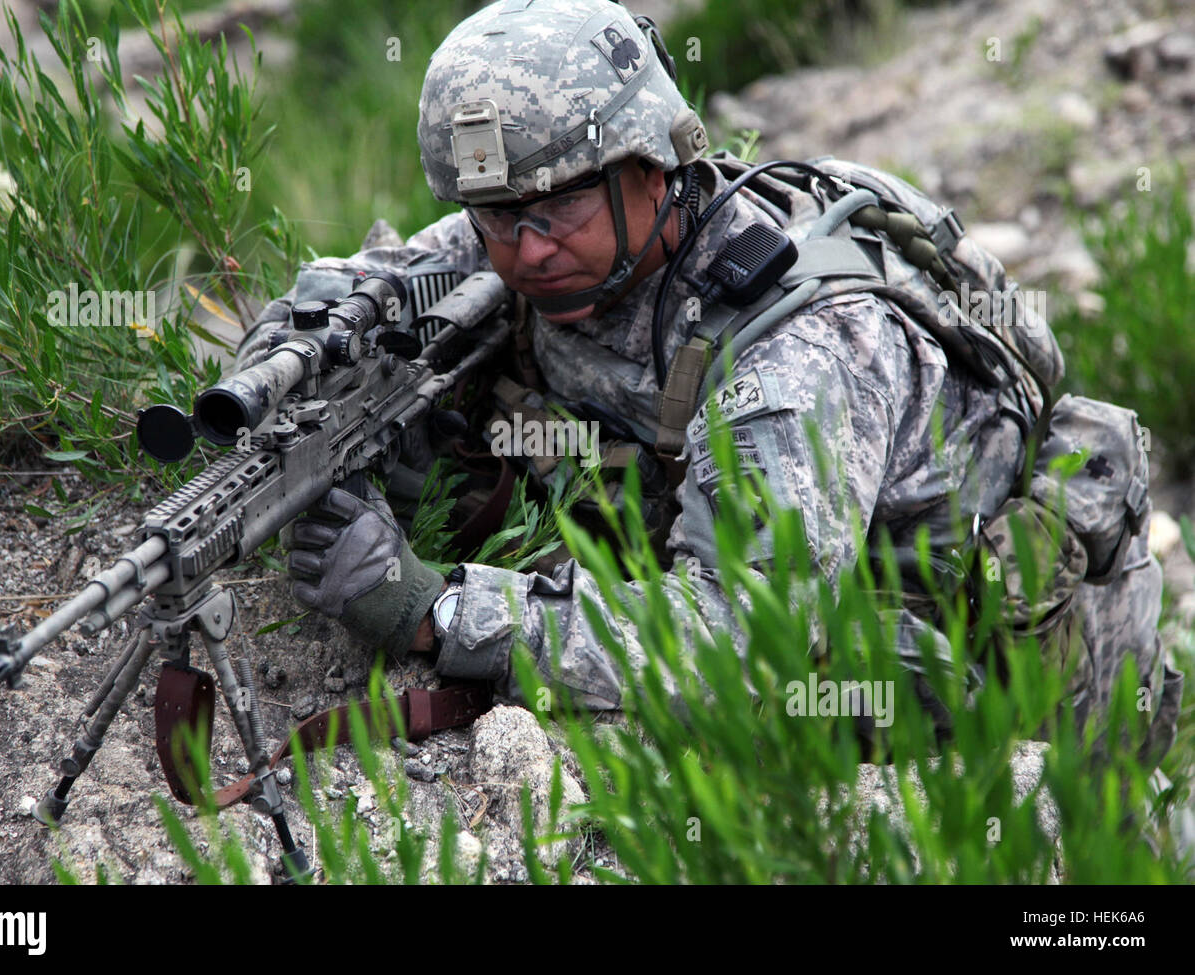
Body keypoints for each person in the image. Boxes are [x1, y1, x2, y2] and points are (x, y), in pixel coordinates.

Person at [241, 0, 1180, 759]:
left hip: (1023, 695)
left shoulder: (800, 356)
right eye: (493, 214)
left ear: (654, 166)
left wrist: (434, 610)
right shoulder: (564, 239)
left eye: (558, 205)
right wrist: (299, 337)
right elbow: (406, 271)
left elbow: (735, 642)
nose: (524, 249)